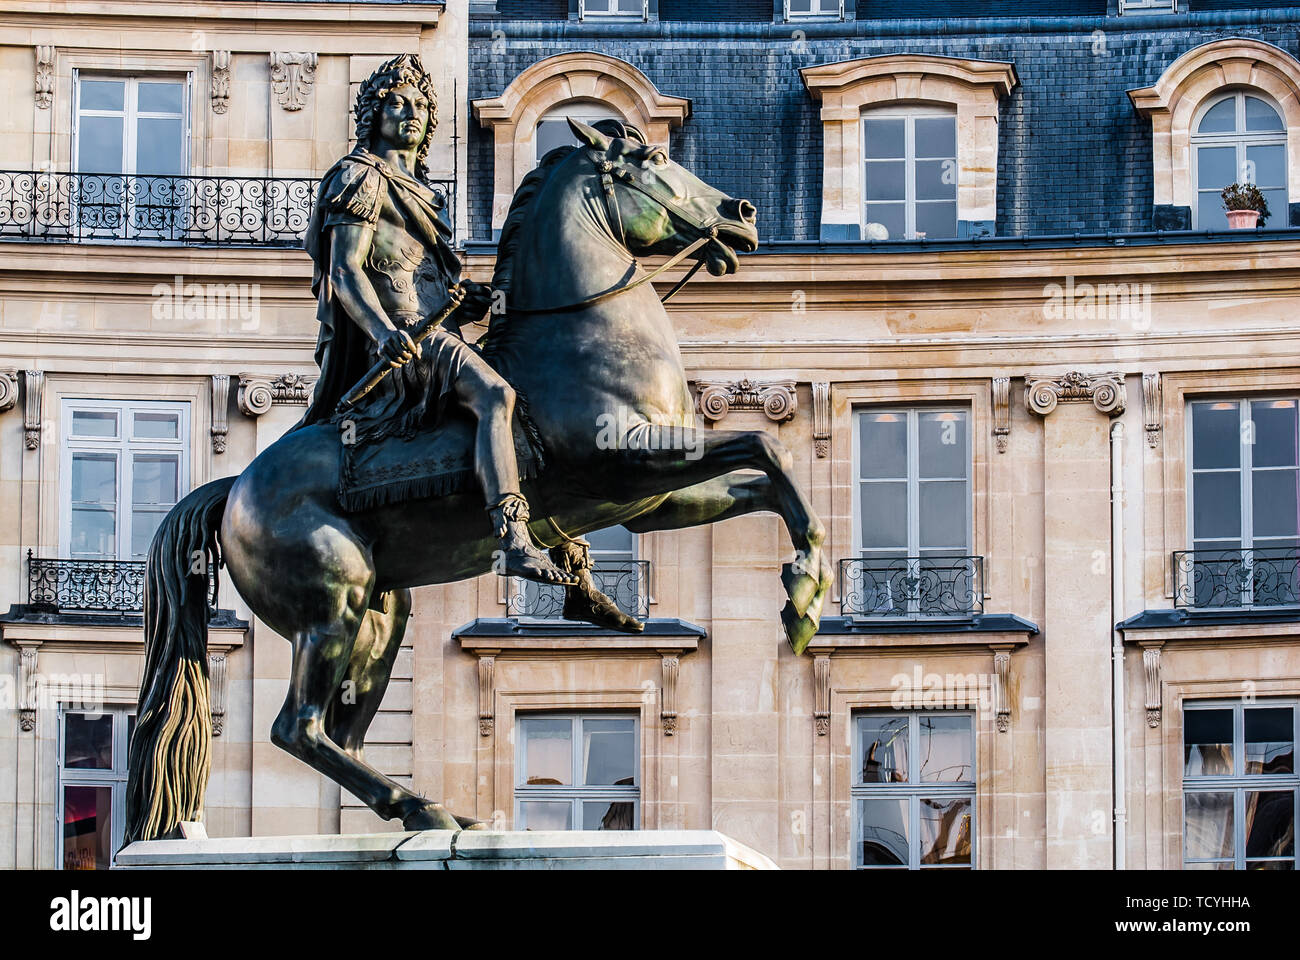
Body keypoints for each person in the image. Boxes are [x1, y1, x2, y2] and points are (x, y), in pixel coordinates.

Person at [299, 53, 573, 588]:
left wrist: (464, 299)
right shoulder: (361, 177)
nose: (410, 113)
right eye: (396, 103)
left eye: (421, 105)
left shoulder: (427, 193)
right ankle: (514, 537)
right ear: (373, 113)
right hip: (408, 337)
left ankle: (572, 561)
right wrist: (382, 335)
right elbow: (345, 269)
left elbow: (426, 280)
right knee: (496, 396)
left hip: (436, 327)